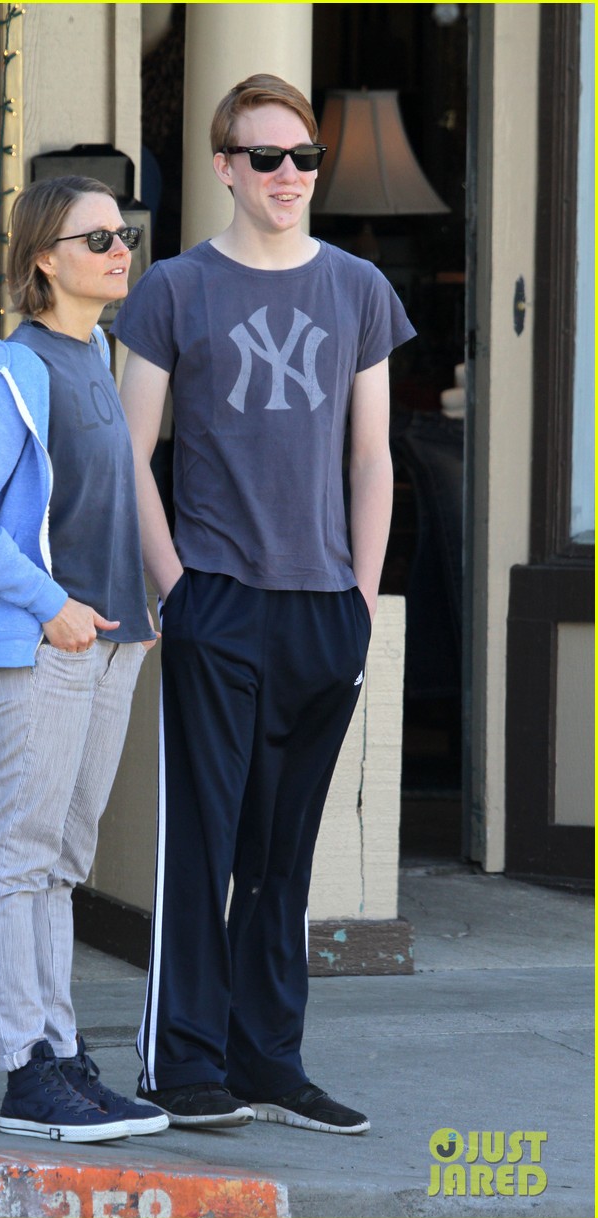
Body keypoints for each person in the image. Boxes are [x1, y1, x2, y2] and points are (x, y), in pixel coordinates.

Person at [112, 74, 416, 1134]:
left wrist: (361, 599)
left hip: (323, 604)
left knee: (284, 855)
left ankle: (270, 1059)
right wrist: (176, 587)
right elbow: (129, 454)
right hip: (217, 599)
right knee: (203, 843)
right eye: (267, 158)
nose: (290, 176)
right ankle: (182, 1061)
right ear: (224, 169)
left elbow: (372, 456)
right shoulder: (173, 291)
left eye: (304, 159)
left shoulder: (358, 289)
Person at [0, 176, 168, 1143]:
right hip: (44, 647)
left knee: (62, 863)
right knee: (19, 862)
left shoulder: (97, 351)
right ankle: (24, 1068)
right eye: (98, 236)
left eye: (125, 233)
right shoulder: (11, 372)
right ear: (42, 259)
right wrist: (52, 605)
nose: (120, 250)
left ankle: (61, 1055)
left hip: (110, 649)